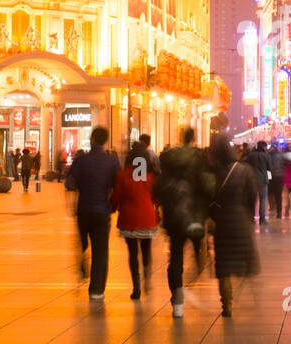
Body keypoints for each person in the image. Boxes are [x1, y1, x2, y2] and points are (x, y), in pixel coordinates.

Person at [157, 126, 214, 318]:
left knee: (175, 258)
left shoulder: (169, 158)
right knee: (198, 247)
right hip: (195, 215)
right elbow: (208, 185)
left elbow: (158, 186)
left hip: (174, 215)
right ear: (194, 138)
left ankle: (177, 301)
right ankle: (197, 268)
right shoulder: (200, 158)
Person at [207, 136, 261, 318]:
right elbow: (253, 195)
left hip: (221, 223)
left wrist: (213, 216)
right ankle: (252, 297)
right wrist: (247, 215)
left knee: (223, 267)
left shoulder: (213, 172)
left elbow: (208, 199)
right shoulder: (244, 170)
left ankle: (227, 306)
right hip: (240, 220)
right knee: (242, 259)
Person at [67, 126, 121, 300]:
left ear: (91, 139)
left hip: (83, 210)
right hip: (102, 211)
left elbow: (69, 184)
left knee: (83, 242)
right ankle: (96, 290)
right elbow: (118, 185)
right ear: (105, 141)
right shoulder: (112, 161)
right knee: (101, 250)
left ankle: (83, 260)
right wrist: (113, 206)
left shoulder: (81, 160)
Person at [112, 138, 158, 300]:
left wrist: (113, 208)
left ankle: (136, 286)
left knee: (132, 253)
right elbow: (156, 198)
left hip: (129, 218)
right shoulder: (150, 177)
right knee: (146, 250)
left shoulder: (122, 176)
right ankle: (147, 278)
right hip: (147, 218)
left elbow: (116, 197)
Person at [246, 141, 272, 227]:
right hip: (263, 181)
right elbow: (270, 168)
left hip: (252, 179)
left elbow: (246, 165)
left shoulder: (251, 155)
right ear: (264, 147)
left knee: (251, 200)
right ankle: (262, 220)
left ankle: (251, 219)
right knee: (262, 200)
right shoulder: (266, 156)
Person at [267, 143, 285, 219]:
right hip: (280, 177)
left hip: (271, 177)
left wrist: (269, 178)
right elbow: (283, 165)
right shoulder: (281, 156)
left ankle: (272, 207)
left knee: (270, 193)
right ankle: (279, 212)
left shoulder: (268, 156)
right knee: (278, 195)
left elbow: (268, 168)